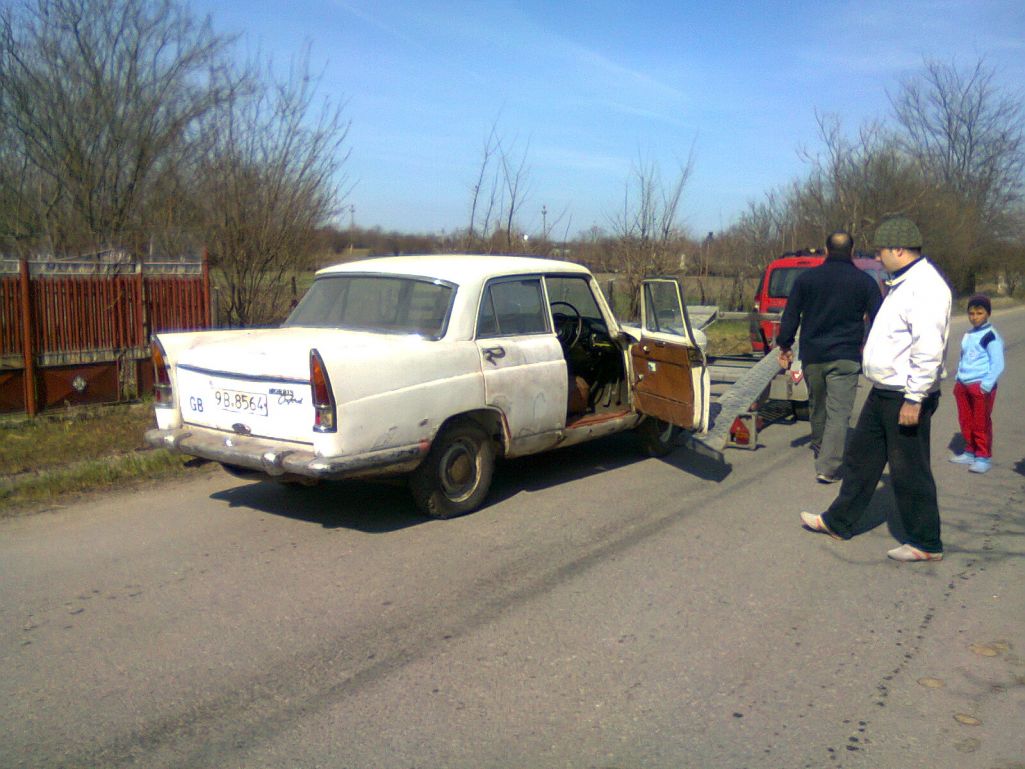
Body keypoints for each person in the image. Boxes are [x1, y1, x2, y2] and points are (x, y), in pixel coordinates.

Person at [800, 216, 951, 562]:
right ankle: (839, 521)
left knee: (909, 468)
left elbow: (928, 347)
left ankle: (926, 542)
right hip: (885, 390)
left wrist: (915, 398)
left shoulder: (926, 287)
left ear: (899, 249)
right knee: (861, 459)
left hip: (906, 393)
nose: (878, 257)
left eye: (882, 251)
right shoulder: (904, 282)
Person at [776, 231, 882, 483]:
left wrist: (785, 345)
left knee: (818, 404)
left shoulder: (806, 280)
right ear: (852, 252)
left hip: (814, 355)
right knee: (839, 412)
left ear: (825, 250)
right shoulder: (864, 282)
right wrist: (872, 346)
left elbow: (791, 315)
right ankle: (829, 466)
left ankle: (821, 447)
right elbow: (880, 319)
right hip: (846, 356)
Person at [949, 293, 1004, 474]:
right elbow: (964, 357)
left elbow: (997, 364)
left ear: (987, 313)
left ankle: (983, 456)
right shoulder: (968, 334)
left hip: (980, 385)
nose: (974, 317)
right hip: (963, 384)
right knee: (966, 420)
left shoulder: (990, 336)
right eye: (971, 313)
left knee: (981, 422)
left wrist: (986, 385)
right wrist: (959, 377)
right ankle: (970, 451)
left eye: (979, 313)